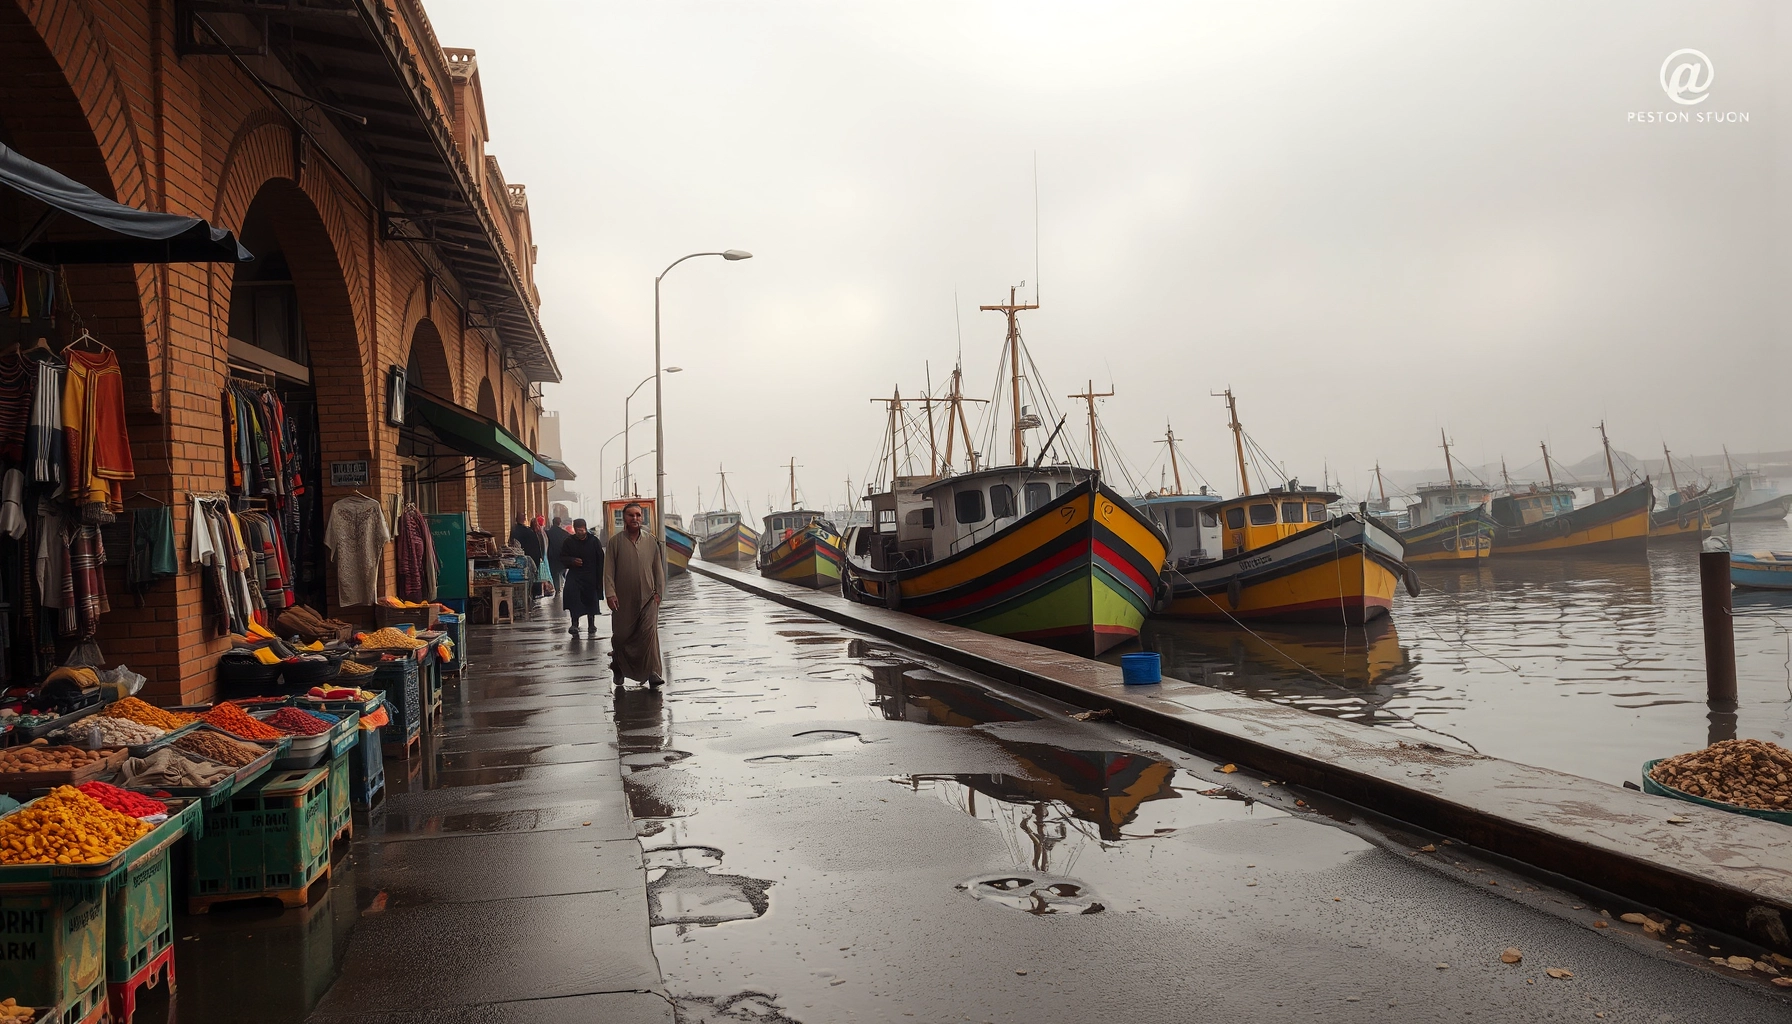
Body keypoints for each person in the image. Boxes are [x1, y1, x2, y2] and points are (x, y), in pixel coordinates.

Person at [603, 502, 666, 687]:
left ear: (642, 517)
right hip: (623, 600)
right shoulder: (615, 542)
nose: (635, 518)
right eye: (631, 515)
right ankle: (619, 666)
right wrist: (610, 593)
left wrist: (659, 594)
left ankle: (653, 672)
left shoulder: (651, 541)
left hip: (648, 598)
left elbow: (658, 570)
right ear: (624, 518)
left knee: (648, 634)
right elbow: (608, 571)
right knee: (622, 636)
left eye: (638, 515)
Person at [560, 518, 605, 639]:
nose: (580, 533)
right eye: (578, 530)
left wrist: (600, 576)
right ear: (574, 529)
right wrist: (572, 561)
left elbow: (600, 559)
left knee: (590, 600)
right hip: (575, 575)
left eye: (582, 530)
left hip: (591, 575)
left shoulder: (594, 541)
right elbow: (563, 557)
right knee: (574, 599)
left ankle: (591, 624)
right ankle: (574, 624)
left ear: (585, 528)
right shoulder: (569, 542)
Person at [545, 515, 569, 600]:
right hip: (562, 555)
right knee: (562, 571)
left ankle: (557, 588)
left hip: (552, 555)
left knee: (554, 573)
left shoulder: (548, 533)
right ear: (559, 523)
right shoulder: (564, 533)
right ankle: (565, 586)